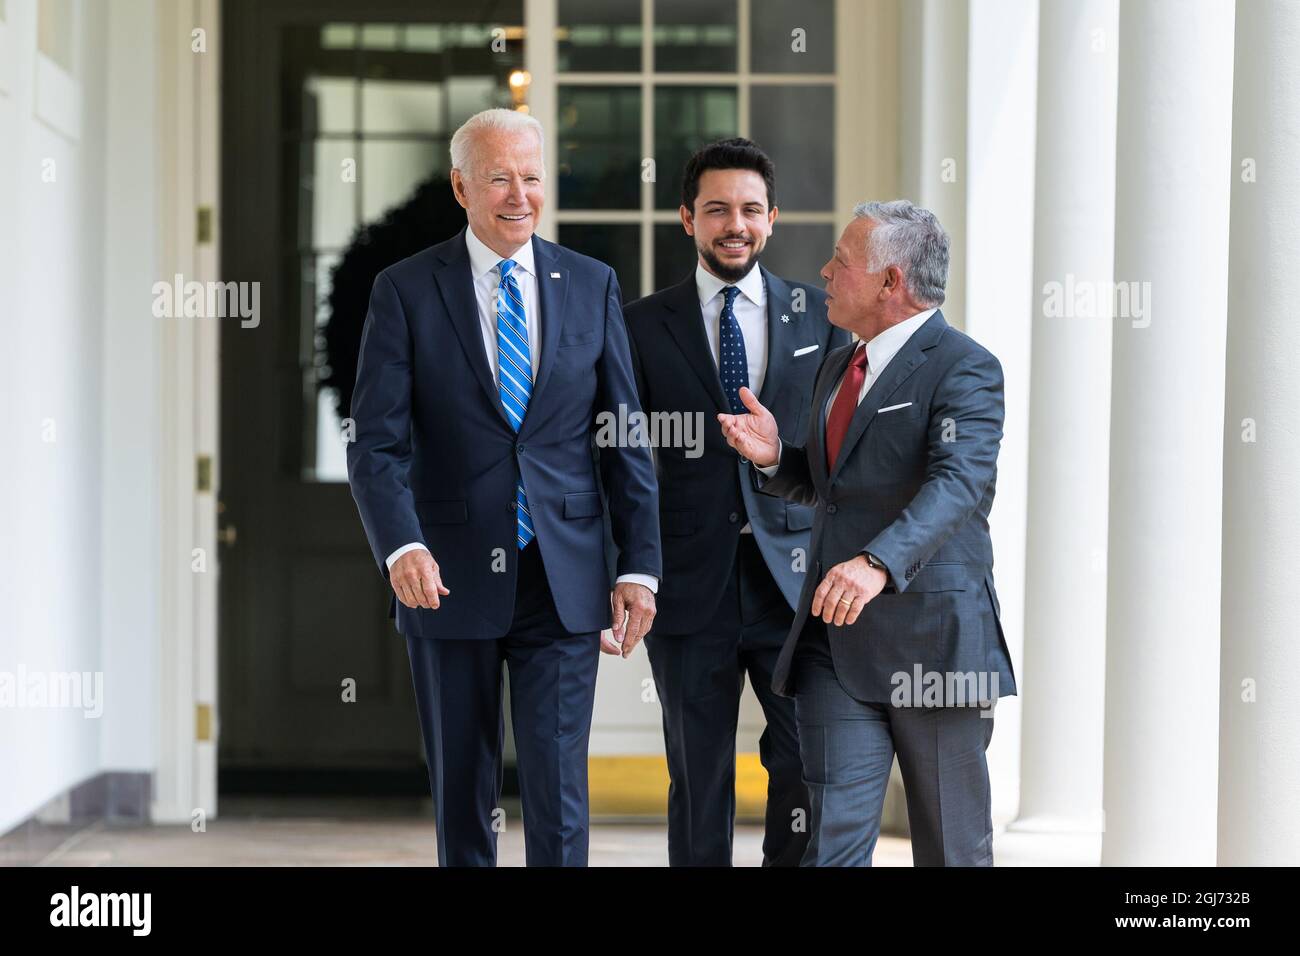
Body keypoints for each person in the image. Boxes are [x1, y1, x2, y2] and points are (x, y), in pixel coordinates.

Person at [346, 108, 661, 867]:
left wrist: (638, 566)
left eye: (531, 177)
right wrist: (401, 546)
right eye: (498, 178)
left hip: (565, 572)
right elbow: (375, 442)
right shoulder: (407, 290)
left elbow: (624, 435)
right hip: (446, 574)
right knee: (464, 784)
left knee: (559, 788)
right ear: (461, 187)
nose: (519, 195)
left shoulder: (590, 283)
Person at [718, 199, 1017, 866]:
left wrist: (877, 564)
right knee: (829, 842)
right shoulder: (840, 364)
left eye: (842, 263)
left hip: (934, 647)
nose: (824, 271)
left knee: (951, 845)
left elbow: (958, 484)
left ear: (891, 283)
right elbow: (841, 489)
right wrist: (775, 457)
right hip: (836, 642)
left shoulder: (966, 367)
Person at [623, 139, 850, 866]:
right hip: (690, 586)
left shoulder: (822, 320)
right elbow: (621, 461)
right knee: (699, 776)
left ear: (773, 218)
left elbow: (844, 457)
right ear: (687, 218)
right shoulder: (639, 325)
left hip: (796, 588)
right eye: (716, 209)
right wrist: (630, 569)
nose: (735, 224)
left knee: (804, 771)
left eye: (750, 209)